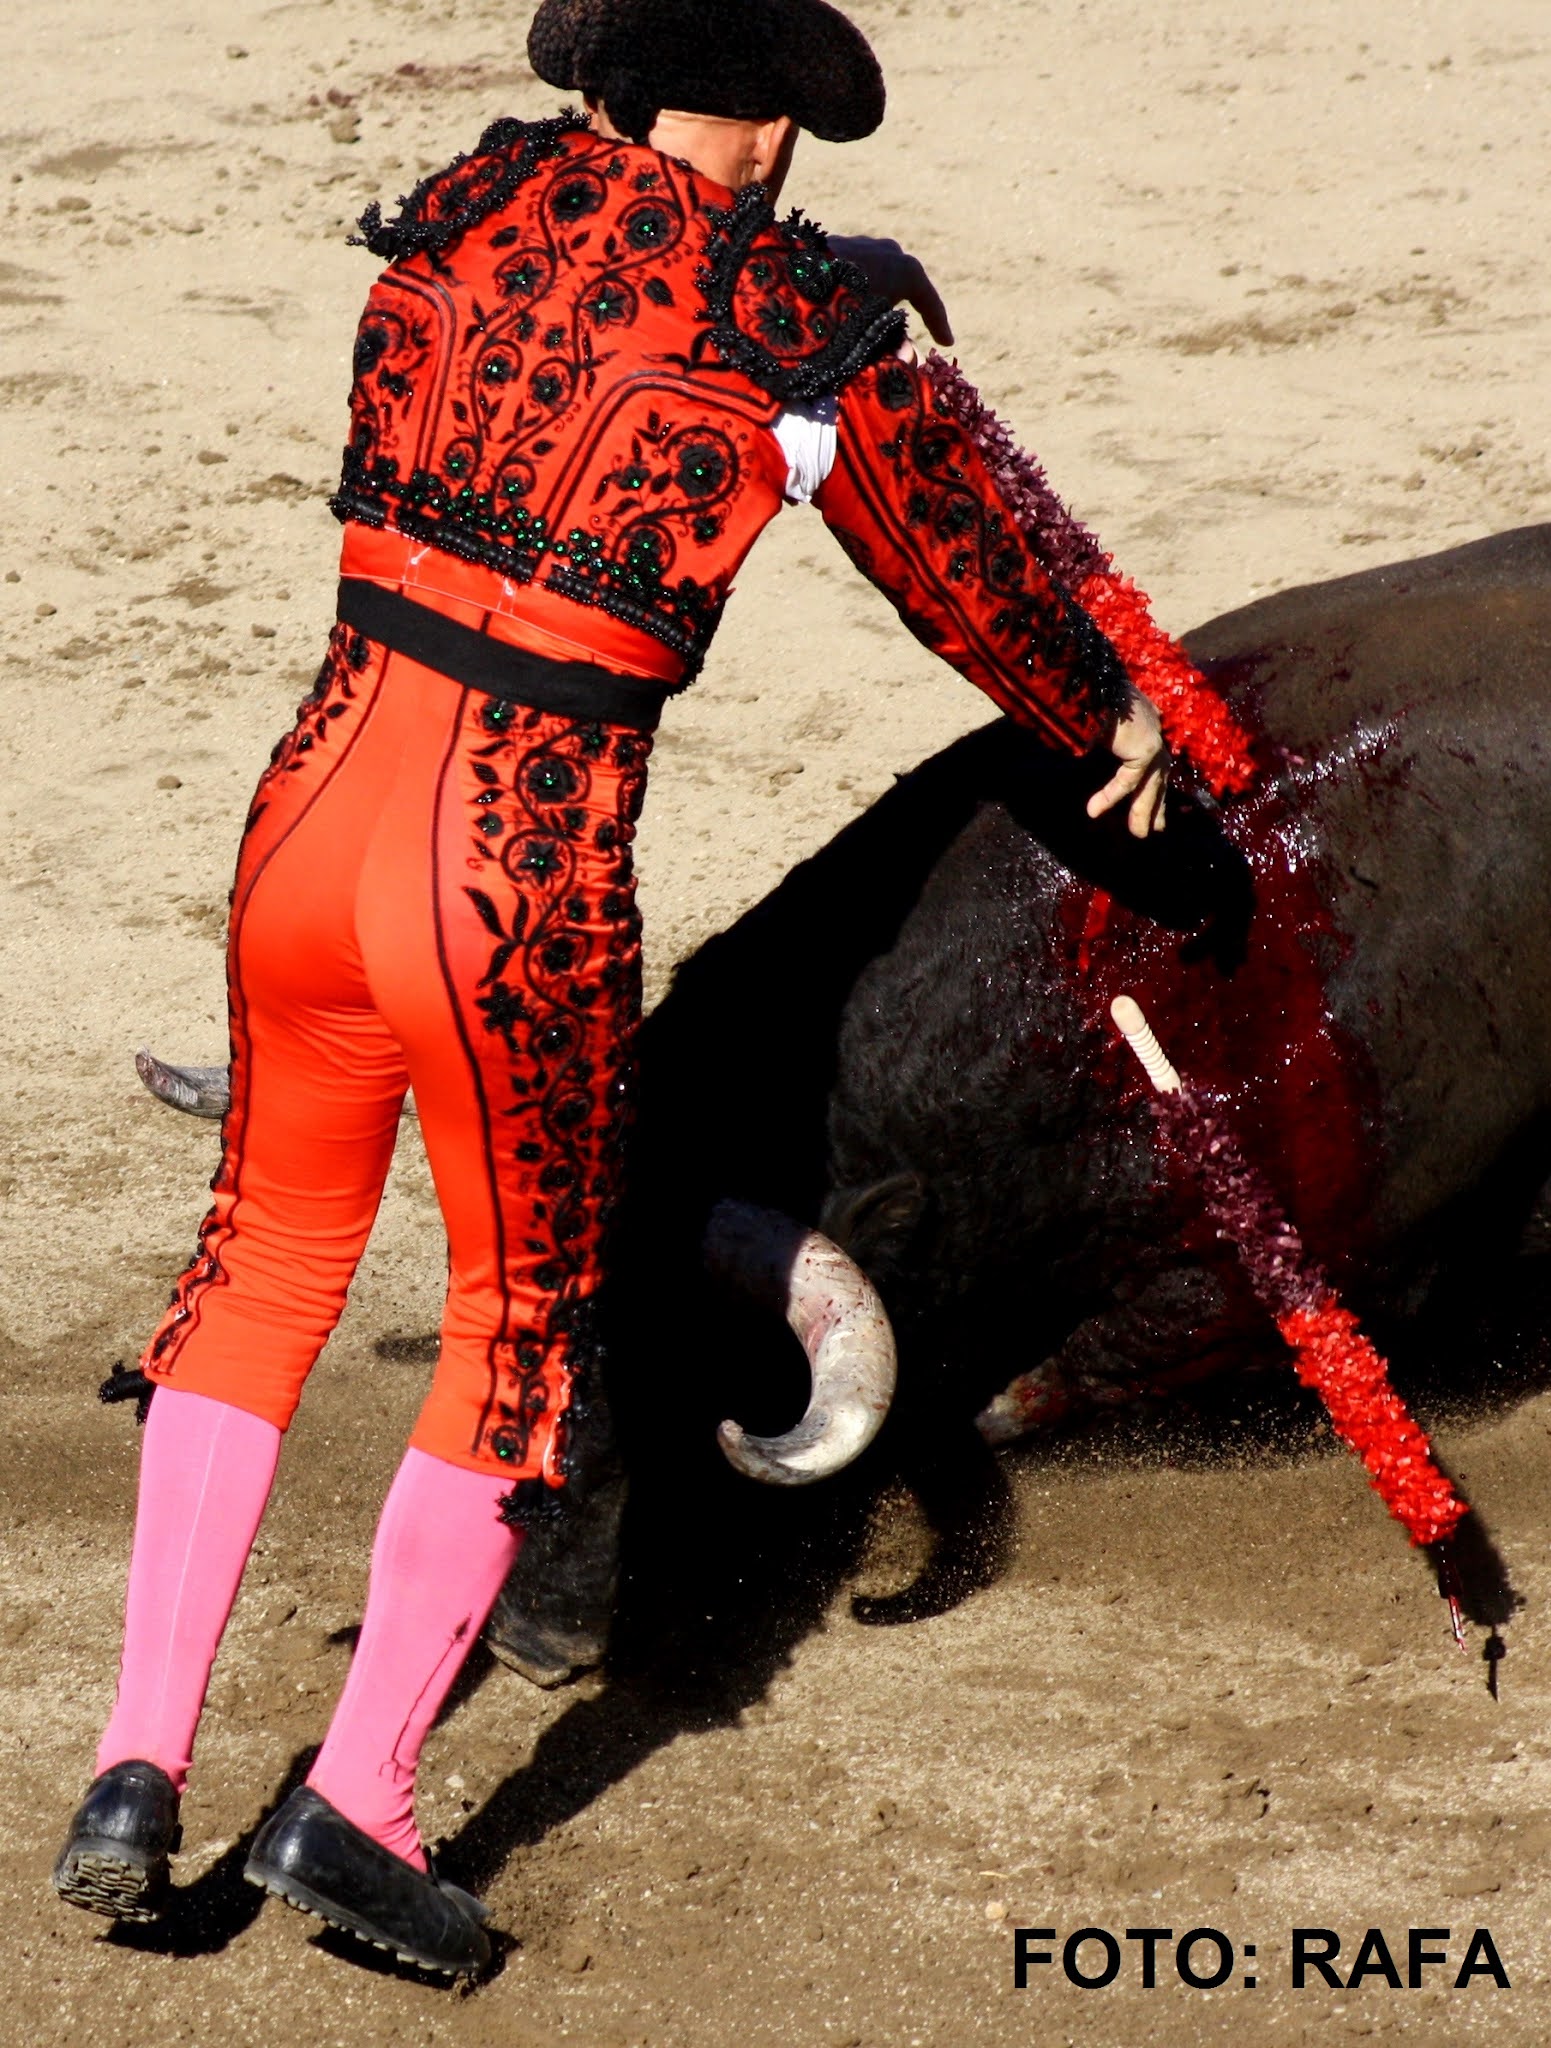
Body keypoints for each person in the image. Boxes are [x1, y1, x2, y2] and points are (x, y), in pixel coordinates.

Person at [52, 0, 1168, 1979]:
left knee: (260, 1263)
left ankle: (137, 1768)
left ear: (606, 91)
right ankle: (360, 1808)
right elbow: (968, 582)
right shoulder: (791, 323)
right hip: (513, 869)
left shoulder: (459, 206)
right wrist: (1112, 713)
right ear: (767, 134)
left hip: (306, 814)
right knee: (513, 1320)